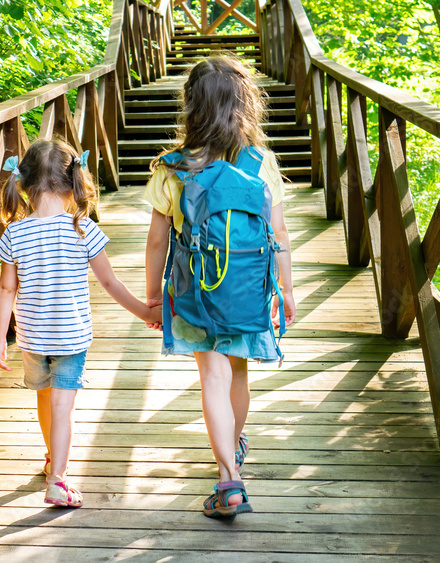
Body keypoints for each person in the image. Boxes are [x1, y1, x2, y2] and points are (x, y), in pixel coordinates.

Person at [143, 55, 297, 518]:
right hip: (249, 290)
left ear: (190, 107)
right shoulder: (261, 162)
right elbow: (280, 234)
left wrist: (154, 296)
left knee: (212, 376)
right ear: (246, 106)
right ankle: (235, 442)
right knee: (239, 374)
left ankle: (229, 478)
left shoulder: (172, 169)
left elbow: (155, 241)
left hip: (195, 294)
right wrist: (287, 291)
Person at [0, 139, 159, 508]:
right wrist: (147, 313)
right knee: (64, 408)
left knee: (44, 399)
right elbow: (110, 283)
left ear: (22, 184)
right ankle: (58, 481)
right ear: (72, 184)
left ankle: (52, 456)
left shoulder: (14, 233)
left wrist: (0, 336)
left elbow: (5, 288)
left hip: (32, 339)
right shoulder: (82, 229)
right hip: (70, 339)